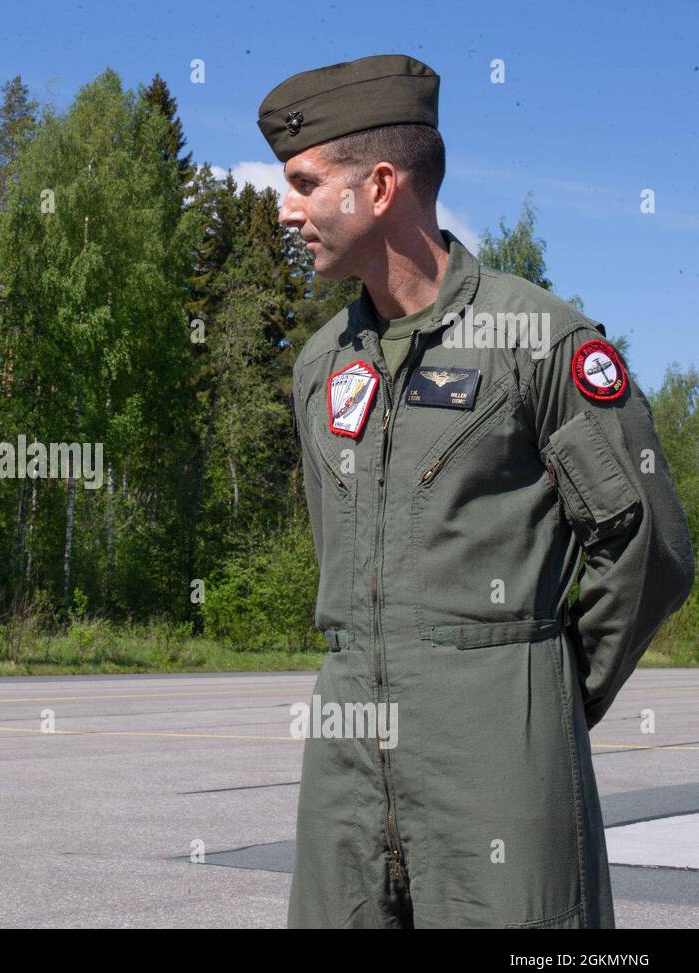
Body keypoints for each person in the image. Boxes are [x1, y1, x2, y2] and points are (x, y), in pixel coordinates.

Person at [257, 55, 694, 928]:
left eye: (305, 183)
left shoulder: (536, 341)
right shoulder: (320, 367)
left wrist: (539, 689)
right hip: (344, 758)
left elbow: (648, 544)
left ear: (379, 187)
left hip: (498, 758)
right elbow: (337, 552)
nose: (284, 208)